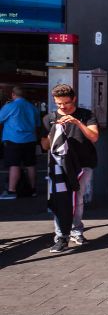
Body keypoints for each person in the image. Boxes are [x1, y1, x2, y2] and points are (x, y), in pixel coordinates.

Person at [40, 84, 99, 252]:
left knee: (77, 198)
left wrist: (77, 123)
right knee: (61, 199)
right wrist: (54, 132)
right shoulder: (49, 118)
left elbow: (94, 137)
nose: (62, 107)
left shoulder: (86, 115)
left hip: (83, 163)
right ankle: (61, 235)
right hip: (59, 165)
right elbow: (45, 145)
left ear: (74, 99)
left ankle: (76, 230)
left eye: (66, 103)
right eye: (58, 103)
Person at [0, 86, 41, 200]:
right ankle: (33, 190)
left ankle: (11, 191)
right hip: (30, 139)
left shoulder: (10, 106)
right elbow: (38, 124)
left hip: (13, 139)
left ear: (13, 94)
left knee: (14, 165)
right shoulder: (32, 107)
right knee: (30, 165)